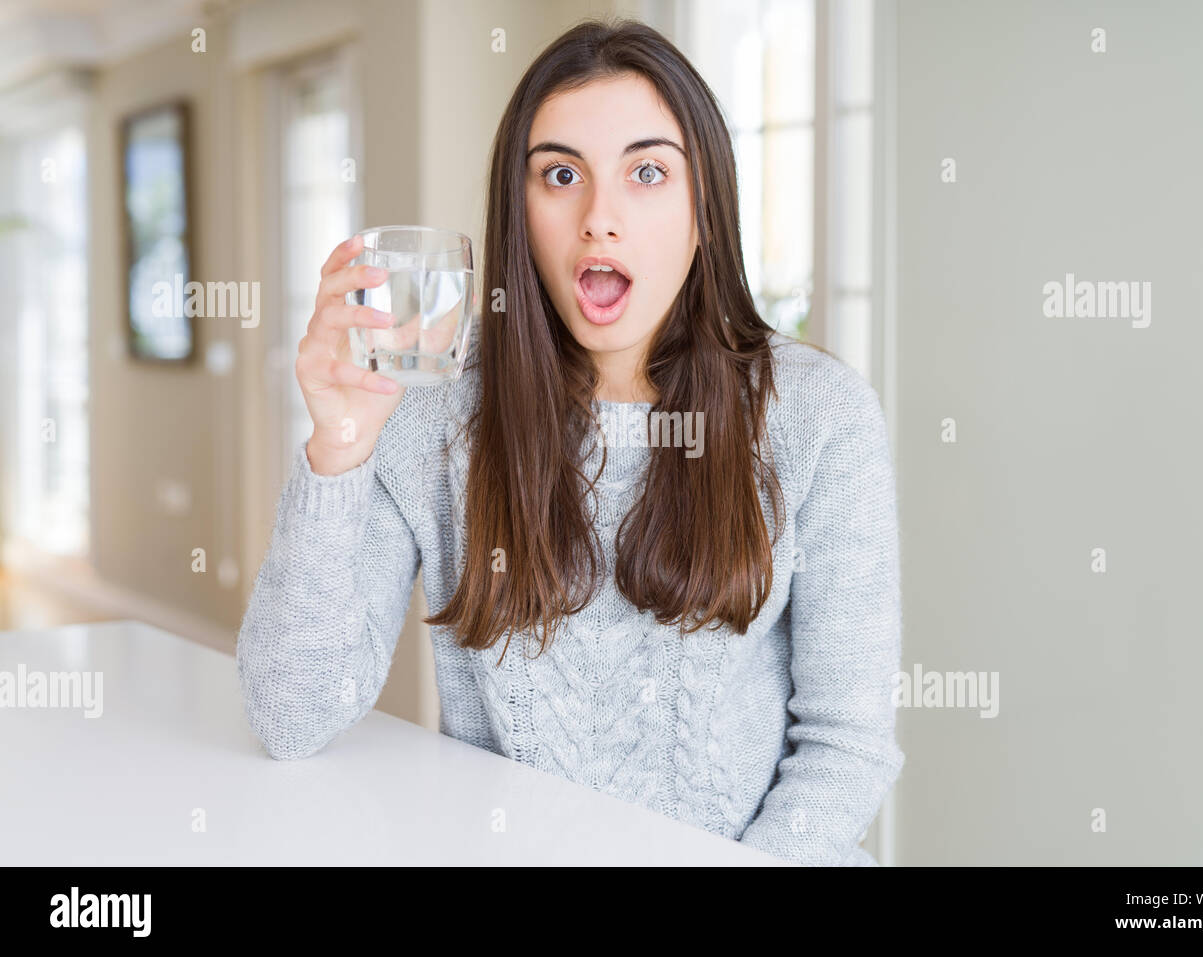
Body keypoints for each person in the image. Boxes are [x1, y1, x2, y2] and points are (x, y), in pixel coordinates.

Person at [236, 17, 904, 867]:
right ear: (520, 213)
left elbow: (846, 749)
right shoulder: (434, 399)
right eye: (560, 175)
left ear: (707, 210)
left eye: (649, 172)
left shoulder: (818, 413)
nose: (601, 219)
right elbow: (293, 717)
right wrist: (338, 444)